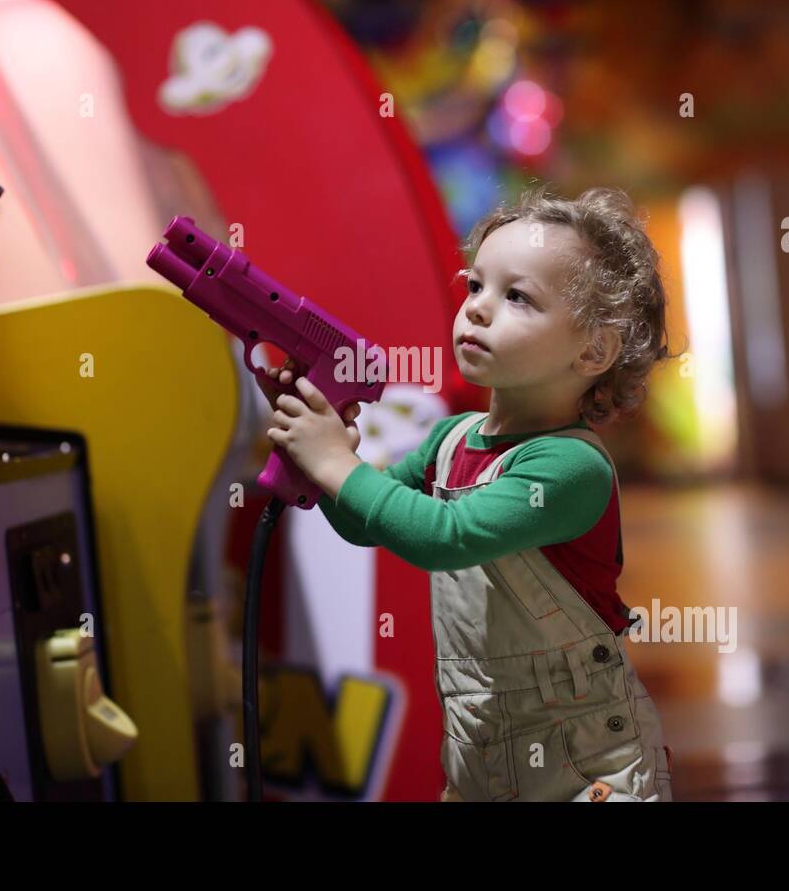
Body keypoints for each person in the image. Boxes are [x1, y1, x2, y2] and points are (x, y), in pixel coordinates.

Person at [260, 185, 674, 801]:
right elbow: (365, 524)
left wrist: (334, 462)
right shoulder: (454, 438)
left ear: (594, 349)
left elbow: (444, 537)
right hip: (477, 749)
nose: (477, 309)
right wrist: (322, 459)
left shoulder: (569, 467)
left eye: (518, 297)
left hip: (583, 763)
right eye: (475, 286)